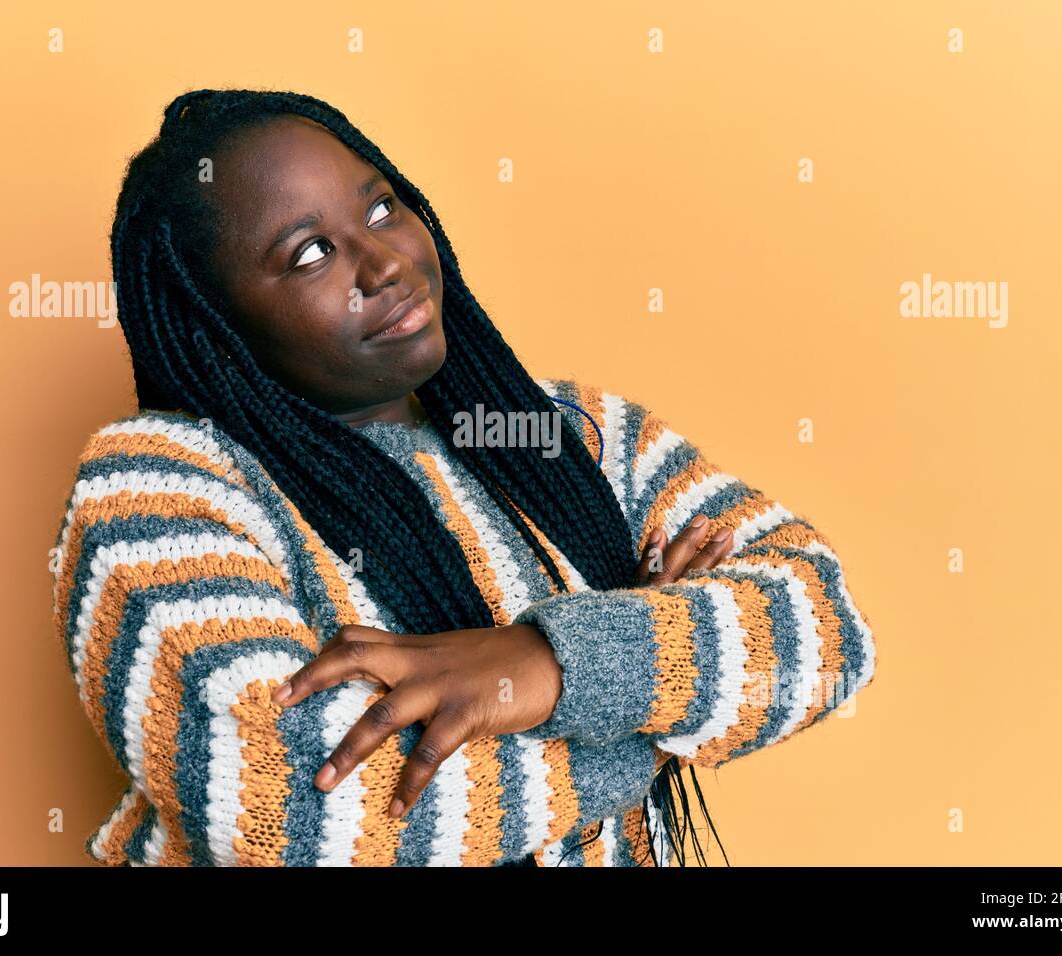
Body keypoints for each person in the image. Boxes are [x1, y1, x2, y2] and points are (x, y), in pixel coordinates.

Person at [51, 88, 878, 867]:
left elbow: (825, 630)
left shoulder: (572, 433)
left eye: (382, 208)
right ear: (216, 322)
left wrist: (538, 663)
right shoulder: (159, 485)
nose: (385, 263)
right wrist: (654, 716)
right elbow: (293, 807)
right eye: (309, 254)